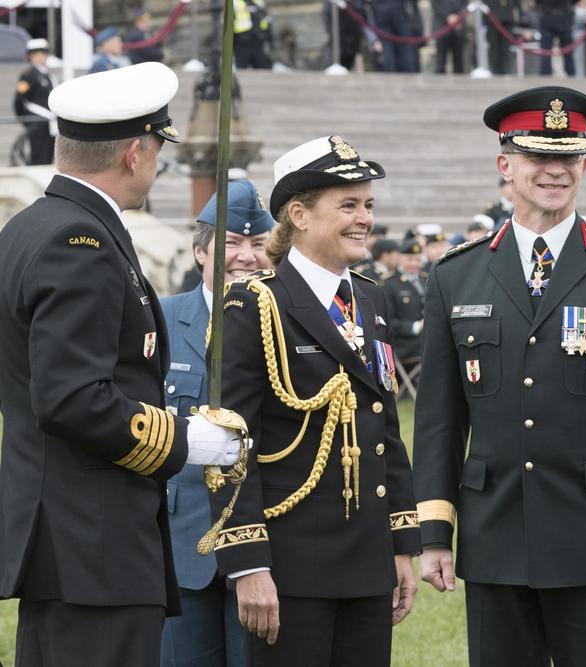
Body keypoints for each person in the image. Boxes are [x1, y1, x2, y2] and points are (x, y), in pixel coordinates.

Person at [413, 86, 586, 667]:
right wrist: (434, 529)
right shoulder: (457, 276)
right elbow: (438, 417)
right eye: (538, 157)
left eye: (569, 158)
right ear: (505, 164)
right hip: (494, 536)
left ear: (585, 163)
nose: (554, 172)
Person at [0, 62, 243, 667]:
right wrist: (184, 439)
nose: (157, 164)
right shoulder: (77, 242)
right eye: (158, 150)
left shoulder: (30, 227)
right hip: (93, 539)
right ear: (135, 152)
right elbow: (71, 398)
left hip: (70, 535)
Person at [208, 135, 420, 665]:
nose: (364, 219)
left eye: (368, 205)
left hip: (367, 560)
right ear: (298, 214)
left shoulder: (370, 297)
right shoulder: (255, 302)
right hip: (290, 566)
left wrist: (401, 544)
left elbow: (384, 427)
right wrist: (248, 563)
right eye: (347, 205)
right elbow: (229, 445)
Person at [159, 180, 275, 667]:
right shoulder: (161, 321)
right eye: (230, 242)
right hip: (181, 544)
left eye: (259, 244)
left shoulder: (289, 323)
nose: (246, 256)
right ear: (200, 251)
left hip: (269, 543)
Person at [384, 240, 428, 366]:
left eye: (418, 259)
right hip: (405, 344)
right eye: (409, 259)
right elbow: (388, 321)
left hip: (430, 340)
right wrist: (416, 327)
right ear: (399, 259)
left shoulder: (427, 279)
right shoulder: (389, 284)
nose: (414, 264)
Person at [13, 38, 56, 165]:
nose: (44, 56)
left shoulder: (47, 75)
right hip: (37, 122)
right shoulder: (28, 75)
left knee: (48, 158)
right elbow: (18, 101)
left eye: (45, 53)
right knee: (38, 158)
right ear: (32, 56)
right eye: (40, 53)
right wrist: (28, 121)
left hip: (48, 123)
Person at [536, 0, 577, 76]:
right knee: (567, 53)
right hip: (563, 18)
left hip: (549, 18)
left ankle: (545, 79)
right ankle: (571, 76)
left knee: (546, 52)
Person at [234, 0, 273, 69]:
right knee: (241, 70)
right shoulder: (235, 2)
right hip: (241, 41)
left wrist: (268, 38)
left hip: (259, 41)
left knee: (263, 69)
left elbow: (267, 19)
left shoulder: (259, 2)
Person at [484, 0, 521, 74]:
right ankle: (494, 70)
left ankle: (505, 70)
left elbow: (517, 4)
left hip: (508, 20)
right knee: (493, 47)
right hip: (493, 18)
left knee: (505, 48)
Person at [432, 0, 467, 74]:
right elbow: (435, 4)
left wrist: (458, 17)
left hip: (458, 27)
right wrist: (448, 17)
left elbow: (465, 4)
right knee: (440, 62)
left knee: (459, 63)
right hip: (441, 25)